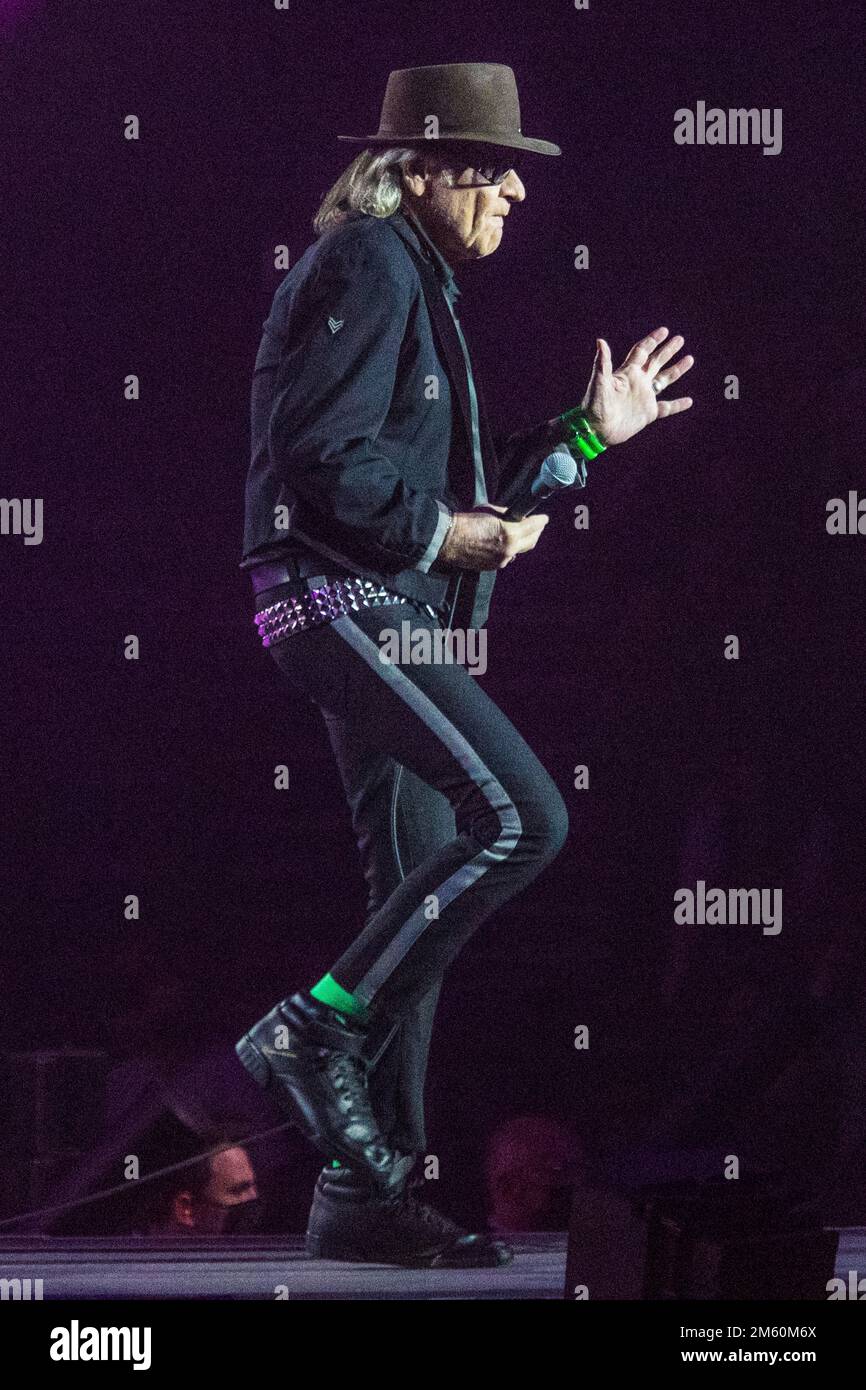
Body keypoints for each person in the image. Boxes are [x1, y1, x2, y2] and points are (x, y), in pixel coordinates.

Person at [236, 63, 694, 1267]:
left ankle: (362, 1189)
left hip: (385, 605)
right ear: (424, 166)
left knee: (418, 889)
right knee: (520, 817)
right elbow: (319, 455)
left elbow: (457, 490)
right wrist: (447, 535)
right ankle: (309, 1030)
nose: (513, 196)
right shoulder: (369, 259)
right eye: (495, 170)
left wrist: (589, 436)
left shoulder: (413, 280)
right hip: (337, 600)